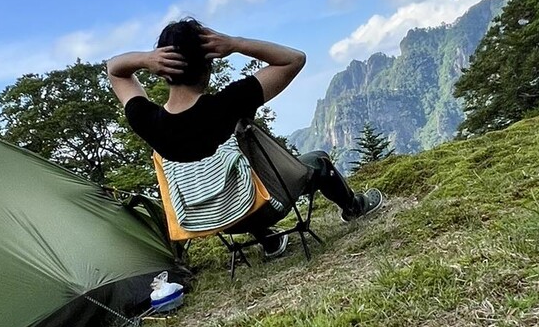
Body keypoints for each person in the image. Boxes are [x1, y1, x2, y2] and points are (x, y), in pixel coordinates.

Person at [107, 20, 382, 259]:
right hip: (261, 207)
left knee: (234, 184)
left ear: (163, 71)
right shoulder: (228, 104)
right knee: (318, 159)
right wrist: (235, 43)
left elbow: (115, 69)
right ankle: (353, 207)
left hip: (211, 221)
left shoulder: (146, 120)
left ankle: (270, 241)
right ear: (208, 66)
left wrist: (145, 59)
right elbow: (294, 59)